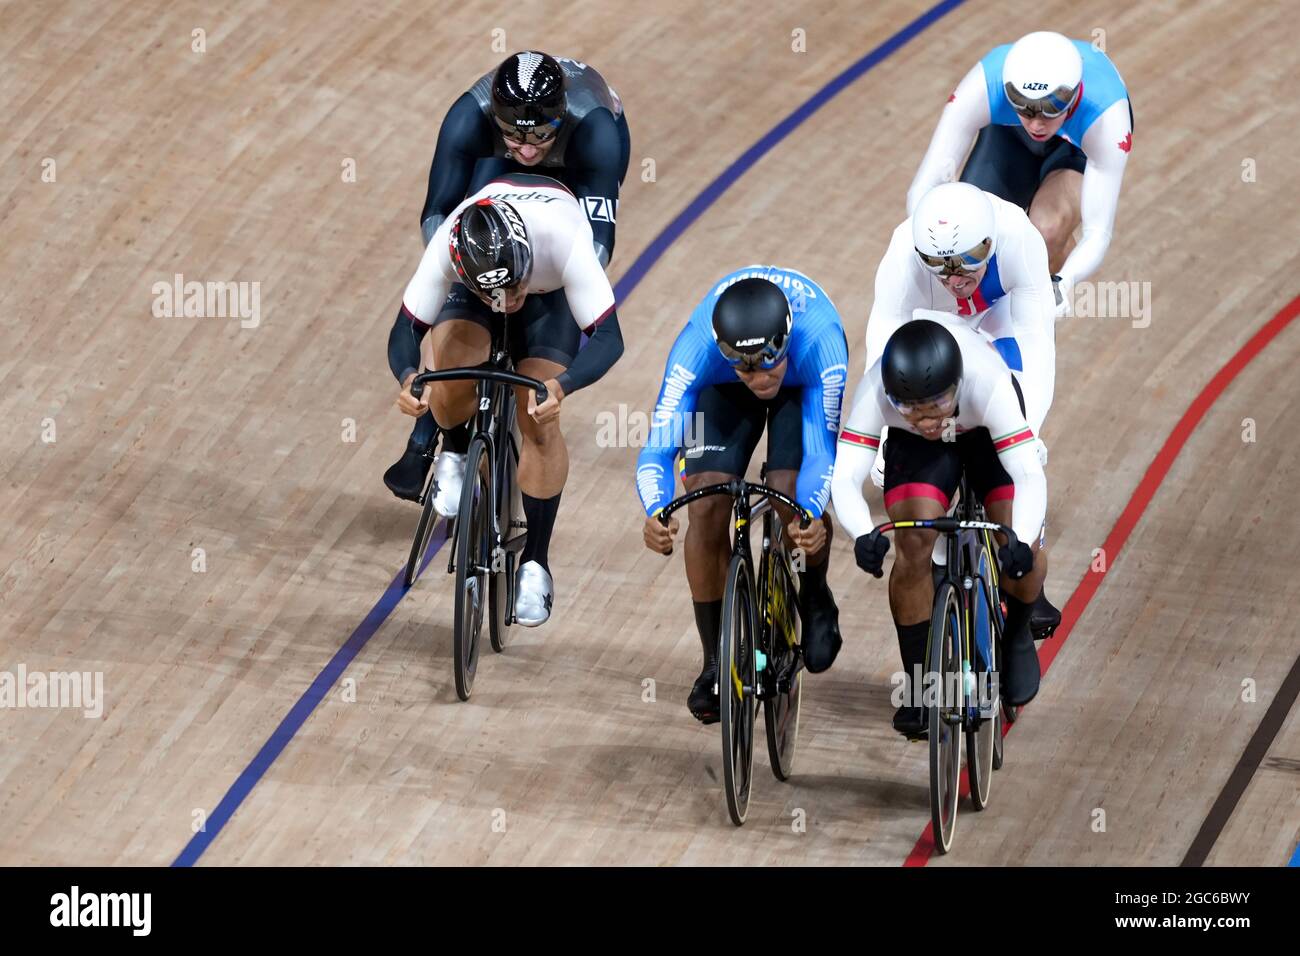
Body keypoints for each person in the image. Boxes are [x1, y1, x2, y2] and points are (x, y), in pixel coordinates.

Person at [385, 51, 630, 503]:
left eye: (540, 135)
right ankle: (440, 435)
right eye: (516, 135)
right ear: (495, 119)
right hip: (498, 168)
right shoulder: (470, 117)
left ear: (559, 118)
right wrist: (472, 271)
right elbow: (438, 215)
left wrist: (540, 284)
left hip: (575, 167)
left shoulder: (595, 131)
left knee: (563, 275)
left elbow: (596, 247)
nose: (530, 150)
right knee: (474, 232)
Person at [389, 173, 624, 626]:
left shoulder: (563, 240)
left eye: (513, 286)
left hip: (548, 294)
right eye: (499, 292)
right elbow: (406, 329)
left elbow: (610, 338)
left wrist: (562, 386)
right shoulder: (449, 247)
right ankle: (455, 451)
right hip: (474, 288)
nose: (507, 300)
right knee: (448, 375)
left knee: (537, 413)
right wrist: (408, 377)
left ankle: (535, 562)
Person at [637, 267, 849, 723]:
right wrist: (655, 509)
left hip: (803, 385)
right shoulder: (696, 348)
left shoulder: (820, 340)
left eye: (770, 360)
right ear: (723, 350)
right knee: (706, 502)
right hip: (720, 389)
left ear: (785, 339)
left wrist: (810, 513)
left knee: (789, 496)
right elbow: (656, 449)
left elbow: (821, 453)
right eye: (747, 365)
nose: (760, 376)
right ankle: (715, 661)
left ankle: (813, 593)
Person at [831, 315, 1047, 738]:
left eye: (937, 405)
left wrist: (1019, 540)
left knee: (1020, 544)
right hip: (915, 450)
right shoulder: (875, 391)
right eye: (911, 408)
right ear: (894, 396)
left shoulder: (987, 383)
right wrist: (861, 534)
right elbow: (845, 477)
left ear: (958, 383)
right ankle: (919, 687)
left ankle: (1018, 635)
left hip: (983, 432)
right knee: (912, 540)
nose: (928, 419)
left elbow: (1027, 475)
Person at [867, 180, 1060, 635]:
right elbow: (883, 355)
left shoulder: (1018, 235)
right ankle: (939, 556)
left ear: (989, 243)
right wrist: (880, 440)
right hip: (935, 325)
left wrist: (1023, 428)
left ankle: (1025, 546)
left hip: (1001, 318)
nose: (954, 277)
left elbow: (1036, 345)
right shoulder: (902, 254)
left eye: (968, 261)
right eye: (938, 265)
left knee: (1013, 450)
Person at [907, 31, 1132, 315]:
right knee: (966, 230)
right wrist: (920, 241)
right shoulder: (984, 84)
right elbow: (926, 184)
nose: (1037, 123)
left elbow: (1098, 232)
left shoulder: (1107, 118)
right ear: (1008, 91)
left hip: (1077, 144)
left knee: (1045, 232)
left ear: (1073, 95)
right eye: (1024, 107)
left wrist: (1064, 282)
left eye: (1050, 109)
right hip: (1010, 137)